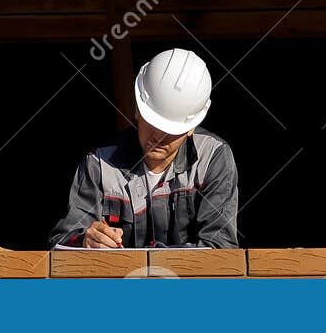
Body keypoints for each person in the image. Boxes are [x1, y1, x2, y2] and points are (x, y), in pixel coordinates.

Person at [50, 48, 240, 249]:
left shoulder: (213, 157)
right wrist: (84, 241)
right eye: (152, 123)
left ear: (191, 127)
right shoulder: (99, 163)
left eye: (171, 130)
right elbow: (61, 244)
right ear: (137, 110)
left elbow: (220, 249)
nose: (159, 136)